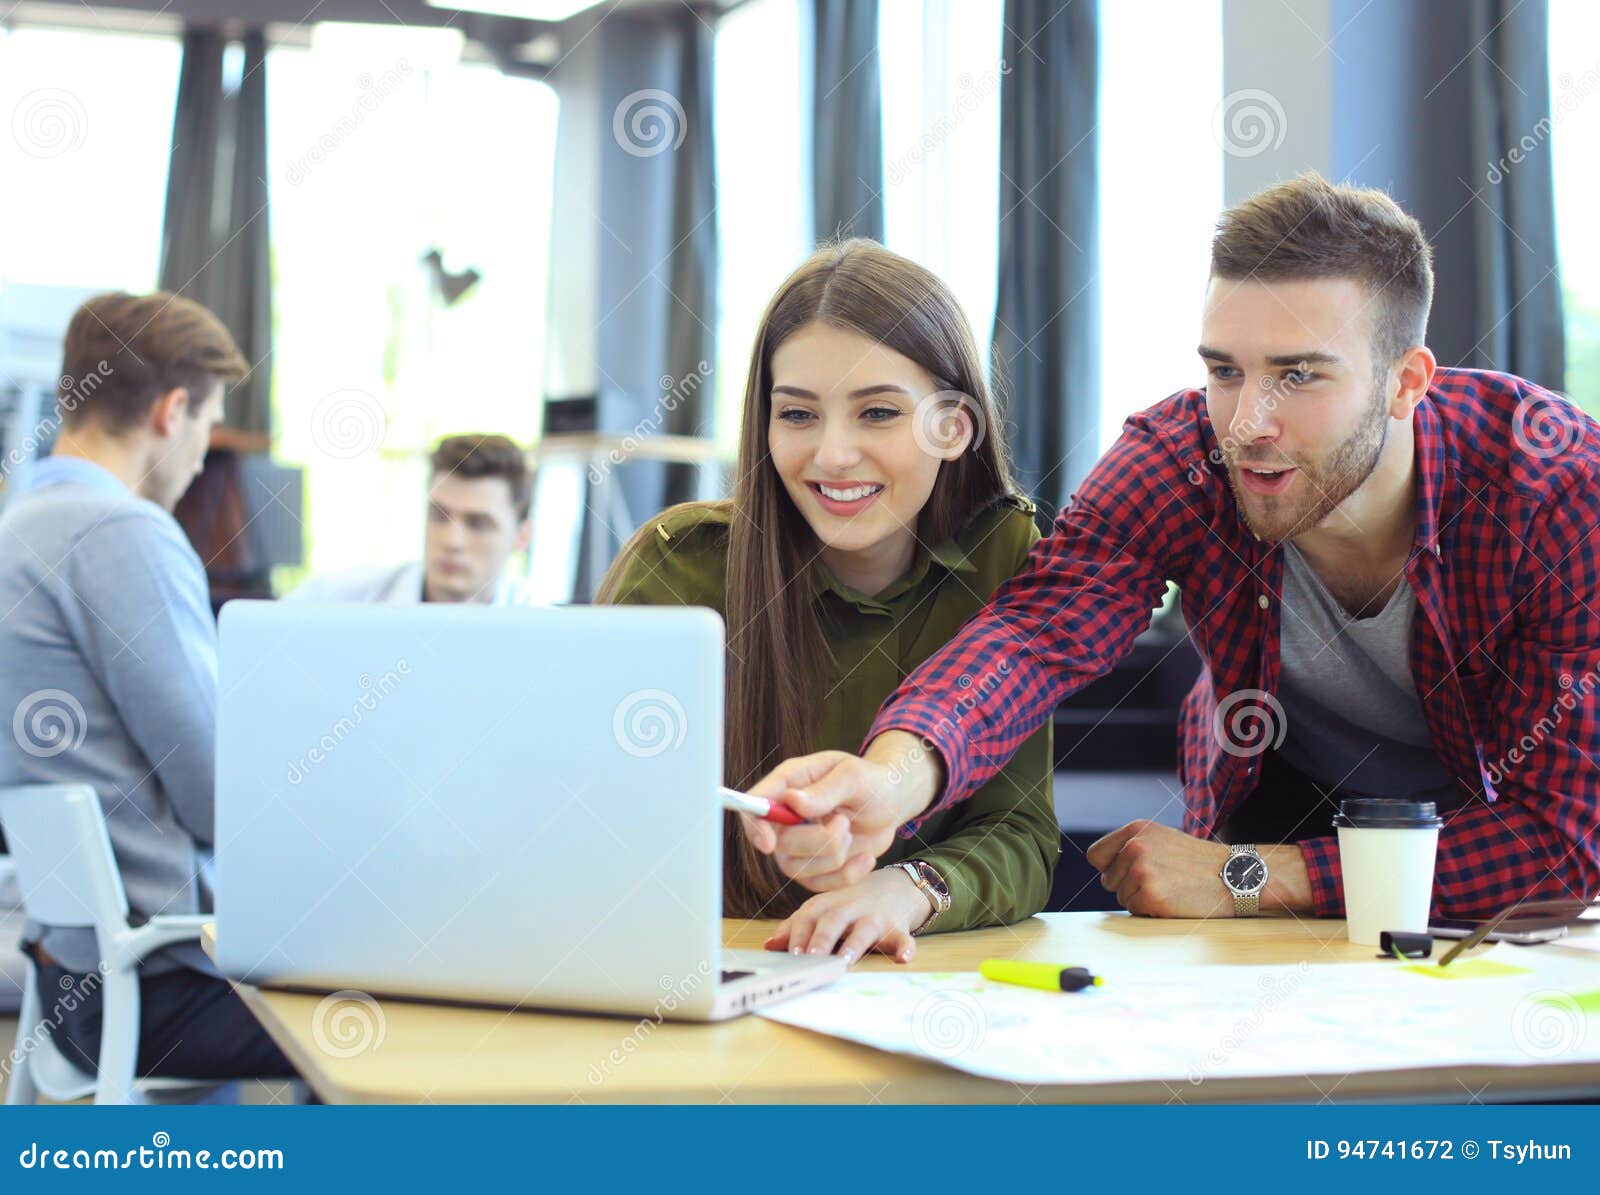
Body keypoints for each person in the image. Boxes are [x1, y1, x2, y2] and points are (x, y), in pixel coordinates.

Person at [743, 174, 1600, 922]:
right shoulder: (1182, 456)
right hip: (1278, 825)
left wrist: (1245, 875)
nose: (1248, 424)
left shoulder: (1554, 492)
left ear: (1405, 382)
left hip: (1474, 874)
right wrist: (891, 785)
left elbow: (1561, 841)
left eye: (1298, 375)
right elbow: (1036, 633)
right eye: (1226, 371)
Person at [598, 240, 1058, 962]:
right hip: (694, 980)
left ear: (952, 427)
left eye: (876, 412)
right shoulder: (678, 570)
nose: (833, 454)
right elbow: (592, 825)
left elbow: (1019, 835)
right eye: (799, 415)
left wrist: (903, 889)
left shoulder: (1007, 555)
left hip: (901, 988)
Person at [0, 292, 296, 1080]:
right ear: (172, 411)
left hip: (73, 972)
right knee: (423, 994)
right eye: (207, 427)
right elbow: (218, 795)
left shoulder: (19, 527)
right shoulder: (119, 533)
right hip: (160, 984)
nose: (203, 458)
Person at [288, 433, 533, 605]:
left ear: (521, 538)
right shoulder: (326, 603)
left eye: (478, 524)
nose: (452, 541)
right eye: (439, 516)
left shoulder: (550, 637)